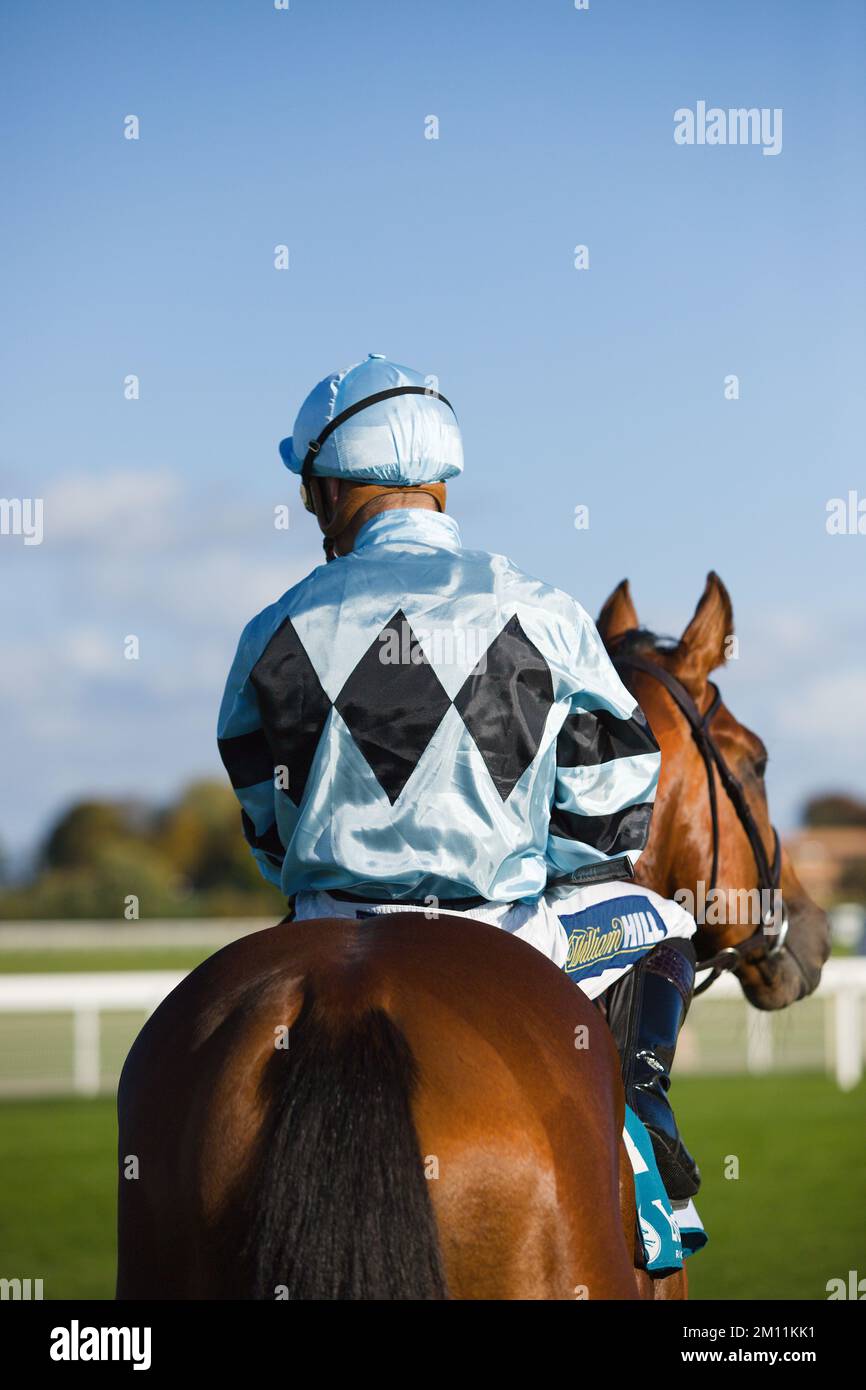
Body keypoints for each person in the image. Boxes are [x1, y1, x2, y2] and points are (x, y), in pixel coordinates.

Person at [217, 354, 700, 1201]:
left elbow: (265, 823)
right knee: (664, 923)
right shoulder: (545, 610)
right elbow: (615, 808)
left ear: (331, 489)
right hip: (506, 937)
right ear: (440, 482)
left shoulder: (271, 627)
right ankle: (647, 1116)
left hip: (322, 926)